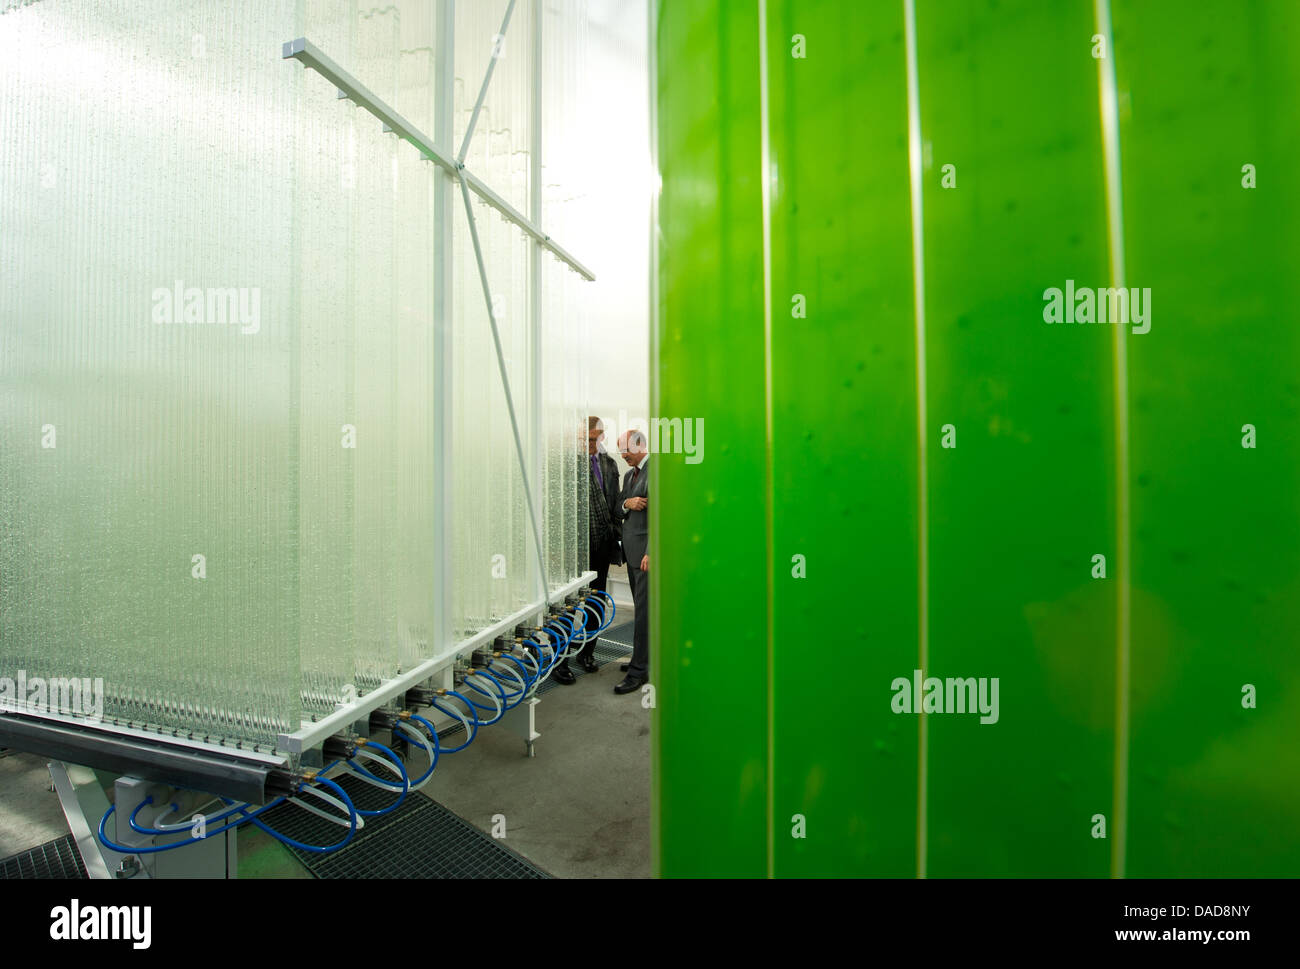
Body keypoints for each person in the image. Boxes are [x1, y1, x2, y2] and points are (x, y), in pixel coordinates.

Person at [554, 417, 622, 684]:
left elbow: (615, 502)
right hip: (574, 547)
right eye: (587, 440)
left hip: (602, 546)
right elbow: (556, 507)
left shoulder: (609, 464)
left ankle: (587, 652)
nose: (592, 445)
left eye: (596, 439)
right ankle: (561, 661)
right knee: (569, 605)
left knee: (597, 600)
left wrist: (615, 533)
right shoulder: (565, 465)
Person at [612, 429, 649, 694]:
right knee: (641, 611)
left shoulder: (657, 472)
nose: (623, 455)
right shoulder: (629, 475)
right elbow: (617, 507)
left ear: (640, 445)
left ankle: (638, 672)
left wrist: (653, 552)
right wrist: (628, 502)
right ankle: (643, 661)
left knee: (645, 615)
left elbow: (663, 516)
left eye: (626, 449)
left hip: (646, 556)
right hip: (632, 552)